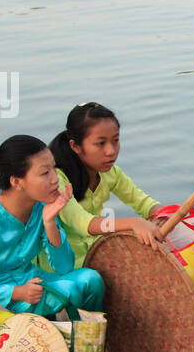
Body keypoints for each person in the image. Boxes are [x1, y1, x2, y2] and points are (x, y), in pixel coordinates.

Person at [0, 135, 105, 340]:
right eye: (44, 173)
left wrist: (50, 222)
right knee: (66, 293)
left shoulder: (41, 208)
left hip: (30, 284)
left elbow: (65, 267)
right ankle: (70, 340)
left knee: (90, 279)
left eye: (53, 169)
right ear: (17, 181)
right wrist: (16, 293)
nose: (55, 179)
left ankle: (90, 340)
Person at [48, 102, 165, 268]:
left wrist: (164, 215)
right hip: (68, 266)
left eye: (115, 140)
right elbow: (84, 223)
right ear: (75, 146)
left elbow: (143, 202)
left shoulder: (111, 173)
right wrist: (133, 223)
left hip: (101, 255)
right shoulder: (56, 180)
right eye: (101, 143)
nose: (111, 151)